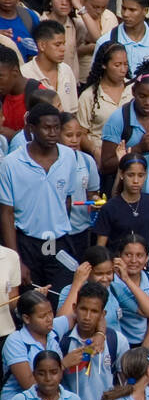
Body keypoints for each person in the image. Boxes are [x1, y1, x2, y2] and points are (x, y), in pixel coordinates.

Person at [0, 102, 79, 290]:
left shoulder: (69, 157)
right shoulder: (11, 163)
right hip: (27, 242)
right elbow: (6, 213)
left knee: (60, 297)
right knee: (31, 301)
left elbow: (67, 200)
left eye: (56, 127)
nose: (52, 133)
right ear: (32, 128)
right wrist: (16, 258)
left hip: (58, 241)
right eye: (46, 128)